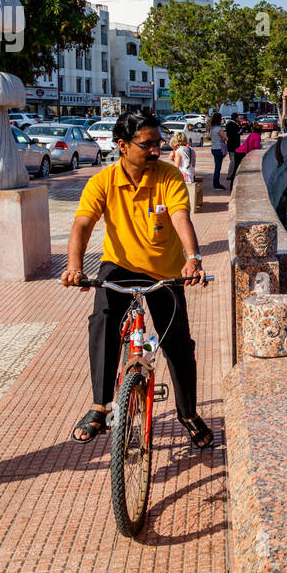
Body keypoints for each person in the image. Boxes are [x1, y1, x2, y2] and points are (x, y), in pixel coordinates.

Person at [61, 111, 214, 449]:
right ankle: (100, 407)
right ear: (123, 146)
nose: (156, 150)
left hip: (165, 270)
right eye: (147, 145)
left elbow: (180, 217)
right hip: (119, 265)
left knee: (178, 342)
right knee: (101, 320)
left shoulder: (169, 176)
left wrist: (193, 259)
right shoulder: (102, 182)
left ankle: (188, 414)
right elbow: (82, 225)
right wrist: (74, 267)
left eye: (158, 143)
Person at [170, 131, 201, 212]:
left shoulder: (179, 151)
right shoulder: (191, 149)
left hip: (184, 178)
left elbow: (176, 168)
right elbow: (187, 163)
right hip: (191, 176)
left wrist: (172, 158)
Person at [209, 112, 227, 190]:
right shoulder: (219, 129)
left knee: (217, 166)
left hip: (213, 148)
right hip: (219, 149)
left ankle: (216, 182)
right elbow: (226, 138)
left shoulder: (212, 129)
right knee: (218, 167)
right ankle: (216, 184)